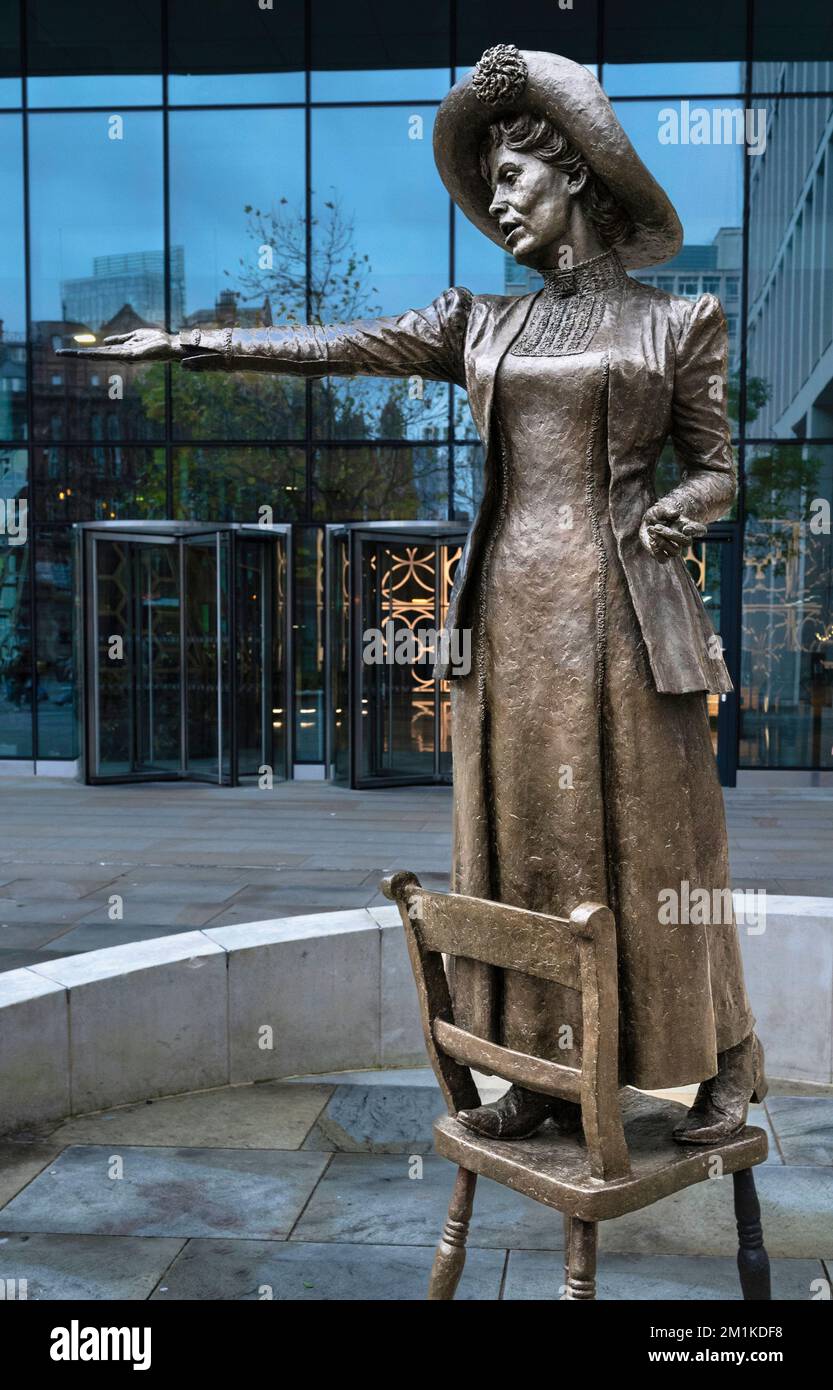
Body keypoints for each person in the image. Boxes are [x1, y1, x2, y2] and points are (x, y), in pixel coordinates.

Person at [62, 45, 766, 1145]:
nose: (496, 203)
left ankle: (726, 1067)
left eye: (513, 181)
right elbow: (341, 344)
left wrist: (681, 509)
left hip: (627, 624)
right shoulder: (477, 323)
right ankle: (542, 1072)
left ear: (574, 174)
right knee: (522, 844)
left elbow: (720, 468)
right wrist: (191, 344)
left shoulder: (676, 325)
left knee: (661, 845)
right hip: (511, 621)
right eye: (486, 185)